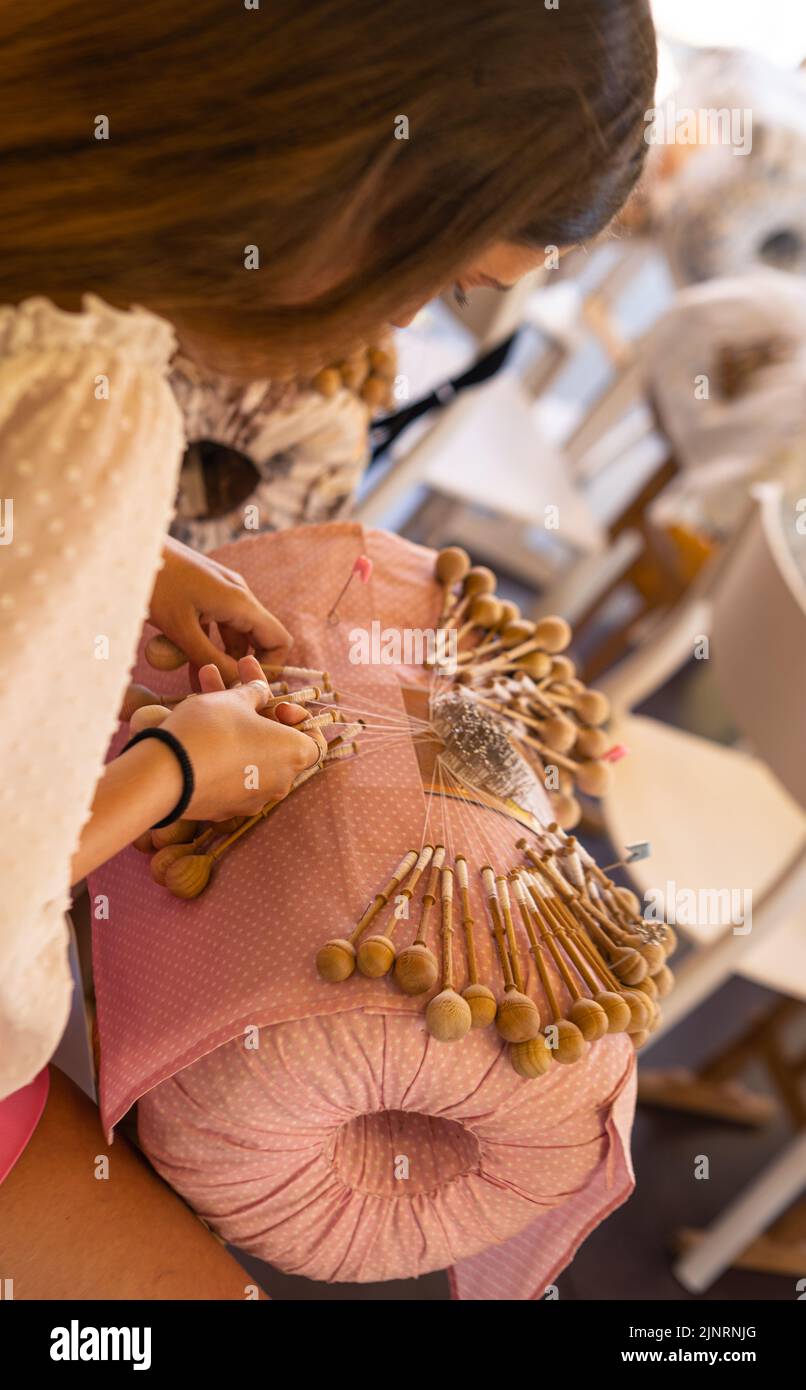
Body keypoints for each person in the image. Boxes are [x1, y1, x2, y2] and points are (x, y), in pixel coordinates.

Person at [0, 0, 657, 1295]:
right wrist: (174, 777)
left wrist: (127, 550)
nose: (397, 326)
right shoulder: (88, 392)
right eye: (440, 275)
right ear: (365, 182)